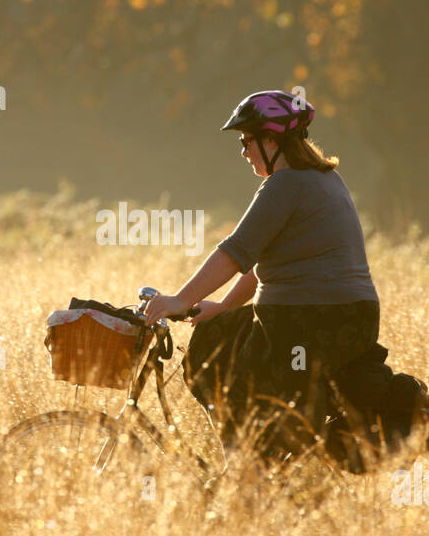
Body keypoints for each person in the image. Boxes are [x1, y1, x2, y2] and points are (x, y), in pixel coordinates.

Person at [142, 89, 396, 469]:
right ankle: (261, 460)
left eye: (247, 141)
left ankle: (246, 474)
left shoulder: (286, 184)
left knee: (223, 372)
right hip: (347, 318)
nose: (243, 151)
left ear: (272, 140)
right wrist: (225, 307)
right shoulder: (325, 180)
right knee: (216, 334)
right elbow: (263, 261)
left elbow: (235, 252)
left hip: (309, 319)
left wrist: (179, 300)